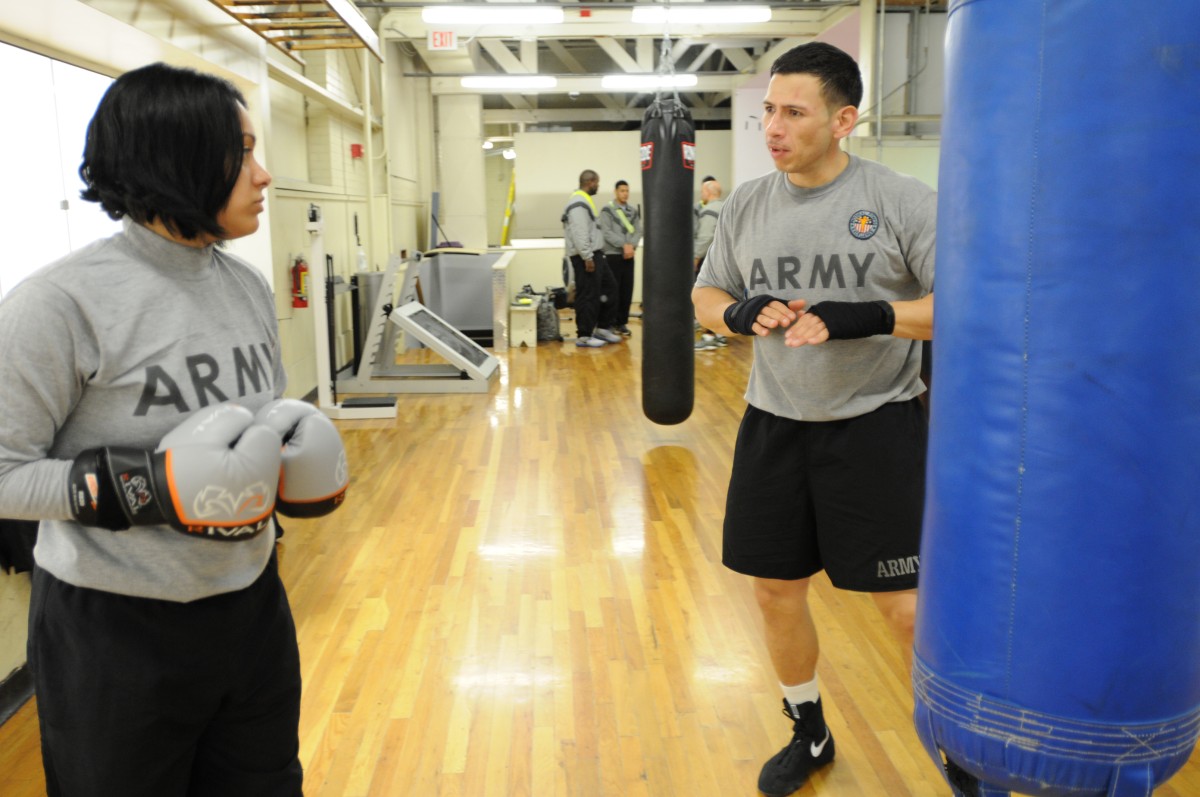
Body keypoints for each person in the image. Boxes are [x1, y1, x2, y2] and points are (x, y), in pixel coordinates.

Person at [0, 62, 349, 797]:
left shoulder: (244, 283)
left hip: (250, 605)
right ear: (175, 158)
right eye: (243, 151)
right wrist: (143, 486)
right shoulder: (58, 304)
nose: (265, 174)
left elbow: (244, 439)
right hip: (116, 630)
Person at [692, 42, 935, 797]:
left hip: (878, 425)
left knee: (906, 610)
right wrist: (736, 311)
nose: (772, 126)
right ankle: (810, 728)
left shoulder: (901, 201)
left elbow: (962, 305)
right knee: (774, 591)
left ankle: (956, 746)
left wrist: (866, 314)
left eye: (793, 112)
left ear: (844, 119)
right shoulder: (746, 205)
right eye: (769, 109)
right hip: (776, 422)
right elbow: (704, 296)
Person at [563, 169, 622, 347]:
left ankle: (602, 328)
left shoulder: (584, 201)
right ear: (591, 182)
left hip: (596, 255)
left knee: (609, 288)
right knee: (587, 294)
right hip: (586, 257)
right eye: (597, 183)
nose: (598, 186)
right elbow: (579, 232)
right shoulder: (578, 203)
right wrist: (587, 257)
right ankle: (584, 335)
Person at [598, 179, 642, 336]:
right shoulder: (607, 210)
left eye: (627, 191)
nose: (625, 193)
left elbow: (638, 231)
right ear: (616, 192)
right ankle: (609, 322)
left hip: (629, 255)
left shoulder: (633, 211)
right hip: (613, 255)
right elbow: (606, 232)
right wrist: (624, 245)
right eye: (622, 190)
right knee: (612, 290)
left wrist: (632, 245)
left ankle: (622, 323)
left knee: (626, 290)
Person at [693, 178, 728, 351]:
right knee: (724, 298)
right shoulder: (727, 207)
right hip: (727, 264)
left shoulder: (709, 210)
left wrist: (696, 257)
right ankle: (721, 335)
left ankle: (709, 336)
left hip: (711, 262)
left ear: (708, 192)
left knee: (707, 299)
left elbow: (706, 237)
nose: (701, 194)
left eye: (702, 191)